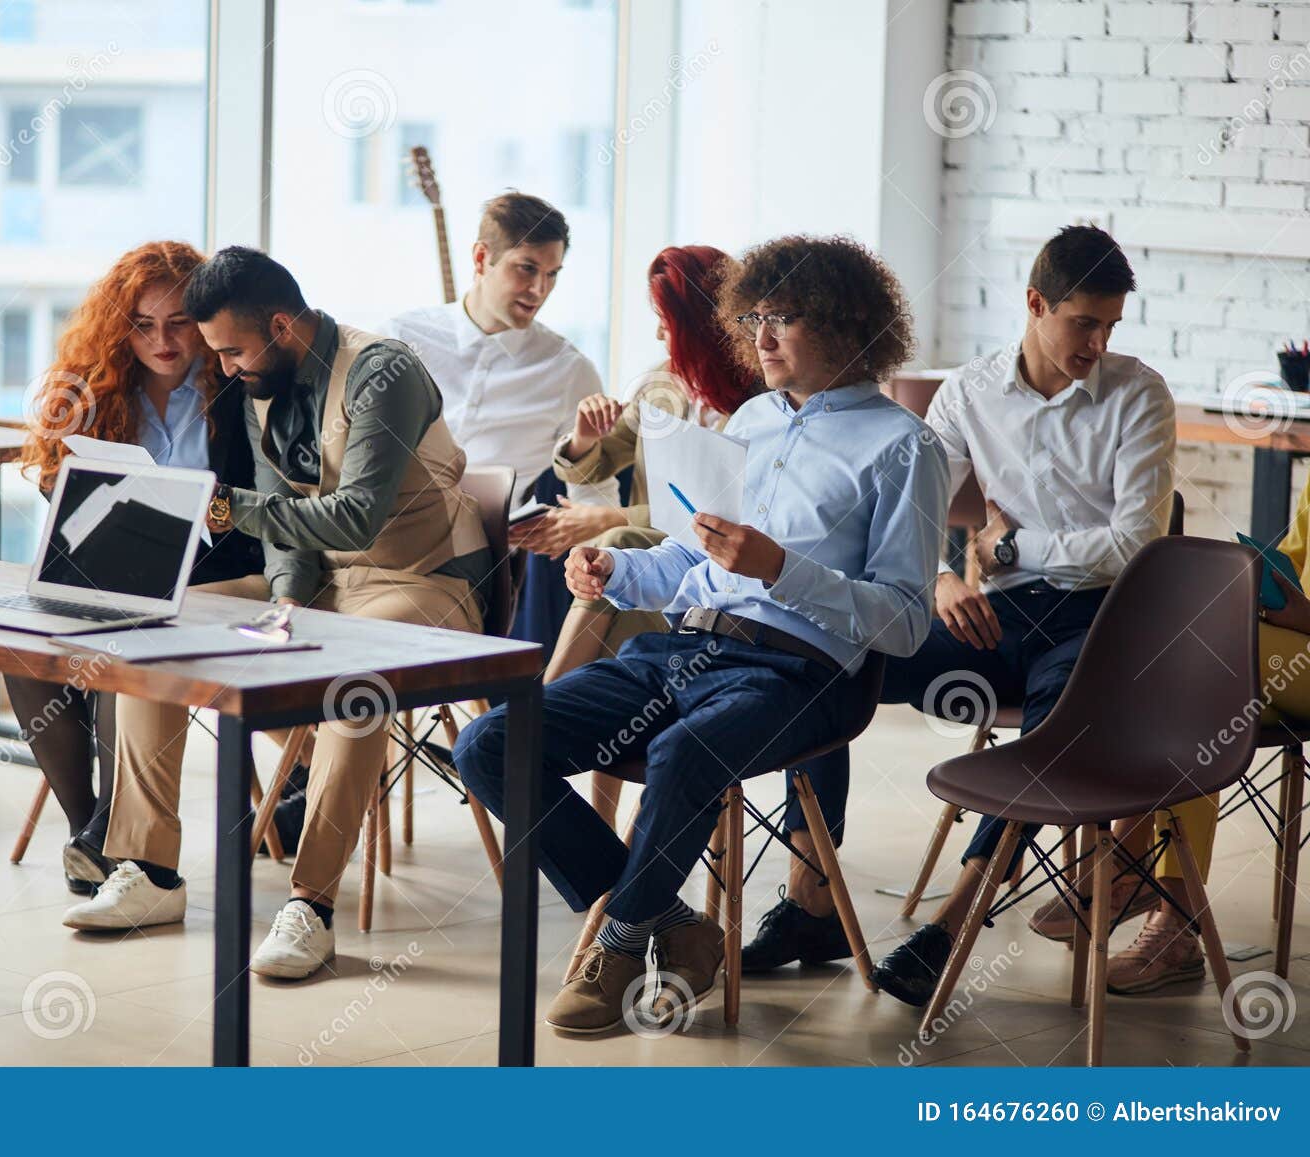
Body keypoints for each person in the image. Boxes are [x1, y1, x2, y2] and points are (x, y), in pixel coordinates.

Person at [453, 235, 948, 1034]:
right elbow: (692, 555)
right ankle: (672, 923)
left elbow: (906, 620)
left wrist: (782, 570)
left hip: (802, 674)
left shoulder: (904, 446)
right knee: (489, 743)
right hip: (684, 648)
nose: (761, 338)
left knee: (682, 752)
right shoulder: (751, 418)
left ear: (845, 323)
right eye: (754, 319)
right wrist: (616, 571)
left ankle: (621, 942)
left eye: (784, 319)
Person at [743, 225, 1182, 1008]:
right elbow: (909, 511)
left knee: (1054, 723)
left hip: (1102, 622)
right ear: (1036, 303)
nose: (1098, 344)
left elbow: (1135, 544)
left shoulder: (1139, 395)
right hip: (994, 617)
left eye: (1111, 326)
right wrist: (942, 575)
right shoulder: (970, 391)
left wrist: (1010, 547)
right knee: (828, 654)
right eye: (1084, 322)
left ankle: (951, 925)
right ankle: (812, 901)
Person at [76, 246, 490, 971]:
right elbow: (282, 523)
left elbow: (356, 516)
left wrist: (222, 505)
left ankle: (311, 905)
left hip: (423, 579)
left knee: (357, 671)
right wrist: (287, 595)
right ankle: (151, 871)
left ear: (280, 325)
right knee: (156, 626)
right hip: (328, 585)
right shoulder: (260, 380)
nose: (223, 367)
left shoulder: (383, 372)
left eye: (232, 351)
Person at [7, 240, 271, 905]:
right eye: (144, 325)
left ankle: (103, 839)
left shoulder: (237, 387)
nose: (163, 341)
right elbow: (58, 489)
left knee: (124, 647)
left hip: (215, 578)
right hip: (112, 569)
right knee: (22, 652)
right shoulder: (95, 387)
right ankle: (92, 825)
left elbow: (263, 507)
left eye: (179, 323)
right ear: (119, 327)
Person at [1089, 477, 1310, 994]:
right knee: (1199, 697)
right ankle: (1172, 918)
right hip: (1291, 656)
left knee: (1201, 654)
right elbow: (1294, 564)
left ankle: (1123, 867)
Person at [380, 192, 618, 655]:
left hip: (472, 570)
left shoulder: (569, 371)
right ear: (481, 258)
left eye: (552, 274)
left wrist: (575, 531)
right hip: (376, 540)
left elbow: (595, 499)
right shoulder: (401, 338)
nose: (539, 289)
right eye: (526, 268)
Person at [542, 245, 763, 684]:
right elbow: (591, 468)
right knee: (587, 552)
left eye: (666, 322)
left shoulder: (760, 400)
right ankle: (566, 698)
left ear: (696, 325)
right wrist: (585, 435)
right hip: (659, 546)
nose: (659, 334)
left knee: (616, 542)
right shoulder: (661, 384)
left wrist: (612, 517)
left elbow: (738, 509)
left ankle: (546, 697)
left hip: (720, 552)